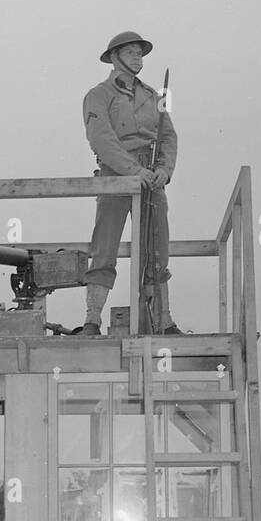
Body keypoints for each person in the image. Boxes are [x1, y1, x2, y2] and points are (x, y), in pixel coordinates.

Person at [80, 30, 182, 336]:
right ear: (114, 57)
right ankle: (92, 319)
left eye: (140, 53)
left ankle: (163, 320)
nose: (138, 58)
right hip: (115, 177)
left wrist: (163, 170)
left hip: (152, 178)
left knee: (157, 248)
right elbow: (101, 139)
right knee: (104, 246)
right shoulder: (98, 95)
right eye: (131, 52)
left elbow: (168, 137)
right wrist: (133, 170)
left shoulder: (154, 96)